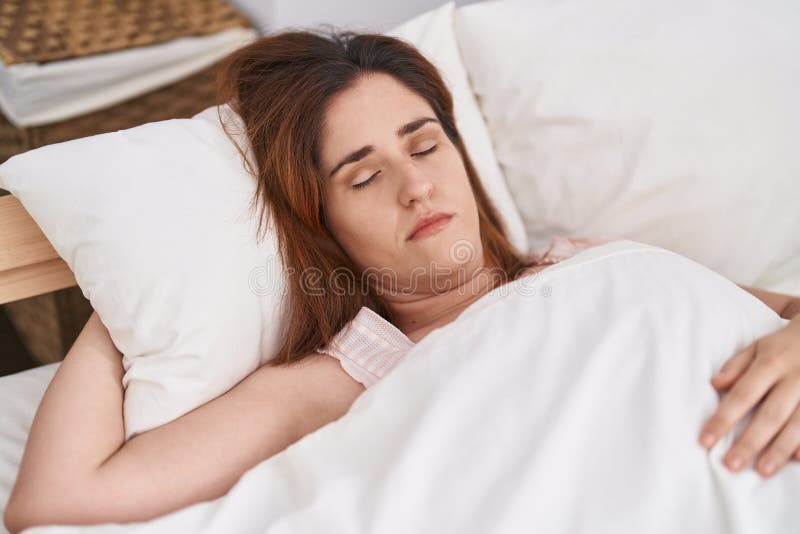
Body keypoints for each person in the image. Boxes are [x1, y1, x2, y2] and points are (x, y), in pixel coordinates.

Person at [5, 29, 800, 533]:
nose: (415, 188)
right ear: (325, 228)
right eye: (362, 177)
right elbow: (56, 502)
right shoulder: (347, 374)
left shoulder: (595, 264)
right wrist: (131, 287)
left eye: (424, 146)